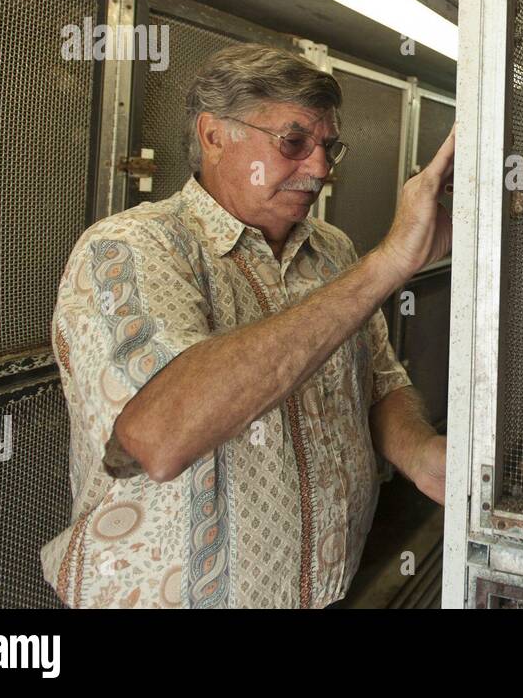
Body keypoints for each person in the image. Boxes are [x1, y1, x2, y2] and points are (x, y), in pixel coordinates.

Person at [40, 43, 453, 608]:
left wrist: (423, 455)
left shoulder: (330, 251)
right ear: (214, 135)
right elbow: (160, 437)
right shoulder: (133, 247)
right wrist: (389, 264)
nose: (320, 169)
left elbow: (378, 380)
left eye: (328, 147)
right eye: (293, 142)